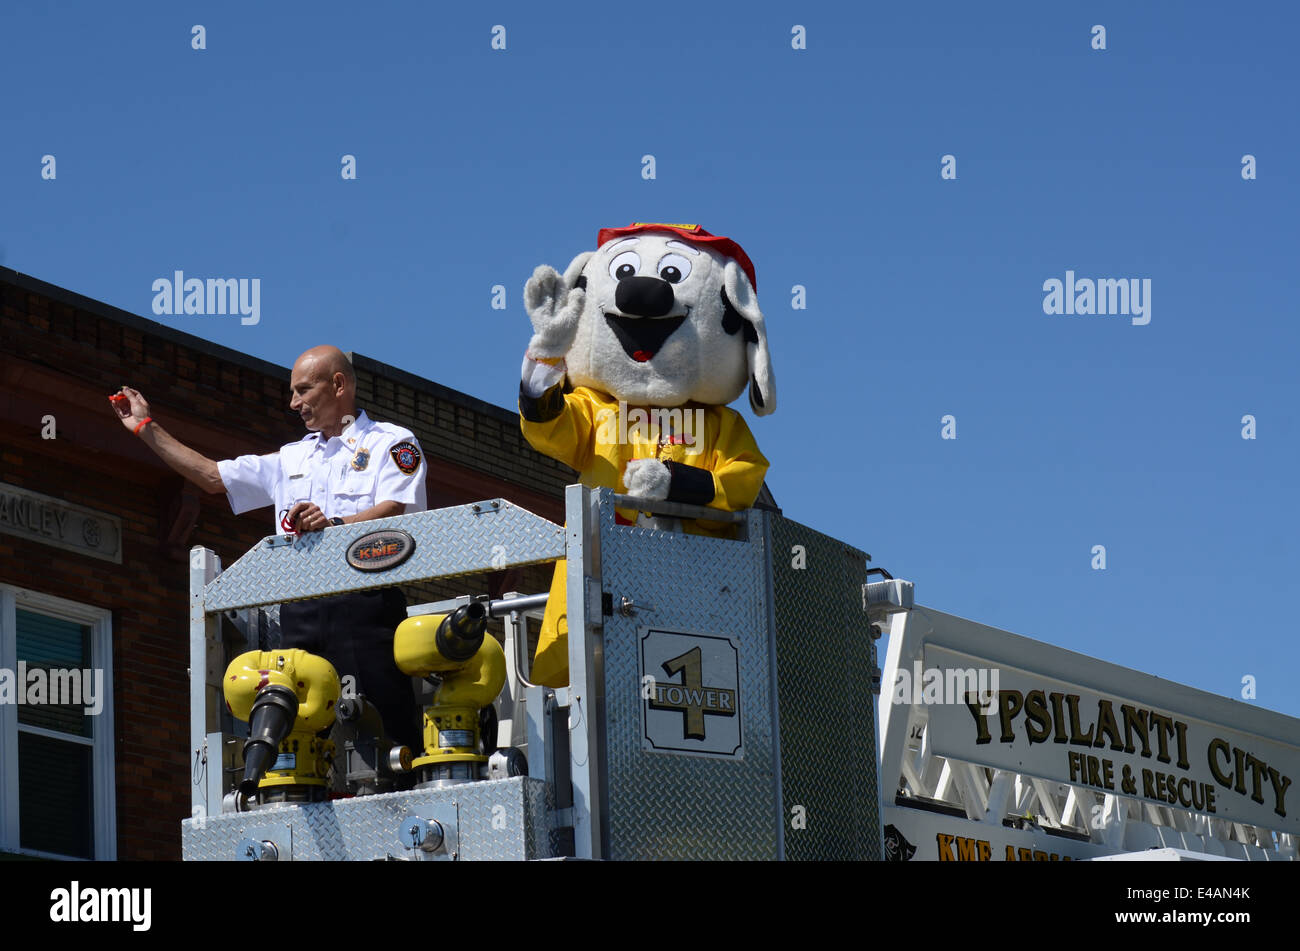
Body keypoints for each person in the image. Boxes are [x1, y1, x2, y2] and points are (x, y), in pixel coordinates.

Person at [111, 345, 426, 750]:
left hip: (365, 604)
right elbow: (210, 476)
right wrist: (145, 428)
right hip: (298, 611)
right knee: (301, 736)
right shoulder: (290, 458)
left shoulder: (393, 442)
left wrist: (333, 525)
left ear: (339, 384)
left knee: (381, 732)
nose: (293, 403)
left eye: (303, 390)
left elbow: (395, 509)